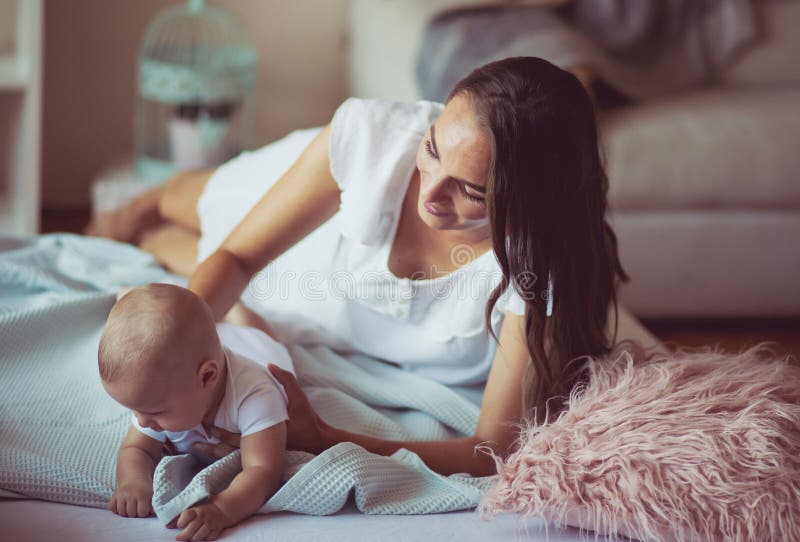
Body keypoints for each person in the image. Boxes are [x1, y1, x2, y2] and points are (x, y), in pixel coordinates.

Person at [88, 56, 665, 477]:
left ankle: (162, 237)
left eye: (470, 191)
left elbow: (492, 447)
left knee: (241, 280)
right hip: (317, 246)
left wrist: (330, 439)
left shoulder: (538, 268)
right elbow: (237, 257)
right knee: (210, 206)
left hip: (314, 302)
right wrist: (180, 357)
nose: (430, 196)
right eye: (433, 150)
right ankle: (145, 208)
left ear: (531, 202)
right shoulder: (372, 138)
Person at [98, 283, 288, 541]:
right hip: (209, 354)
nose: (141, 421)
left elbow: (263, 470)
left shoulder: (257, 397)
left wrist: (222, 508)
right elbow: (136, 449)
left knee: (260, 333)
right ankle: (228, 313)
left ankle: (239, 309)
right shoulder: (158, 394)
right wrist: (133, 483)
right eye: (134, 409)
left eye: (156, 411)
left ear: (207, 377)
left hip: (262, 351)